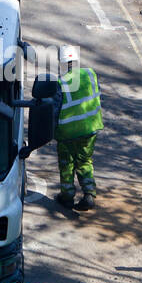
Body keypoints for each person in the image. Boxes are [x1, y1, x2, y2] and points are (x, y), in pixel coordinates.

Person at [53, 45, 102, 211]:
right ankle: (89, 192)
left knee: (67, 164)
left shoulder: (60, 83)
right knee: (85, 161)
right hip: (90, 129)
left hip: (67, 132)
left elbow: (55, 109)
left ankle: (67, 197)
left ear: (62, 63)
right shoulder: (90, 74)